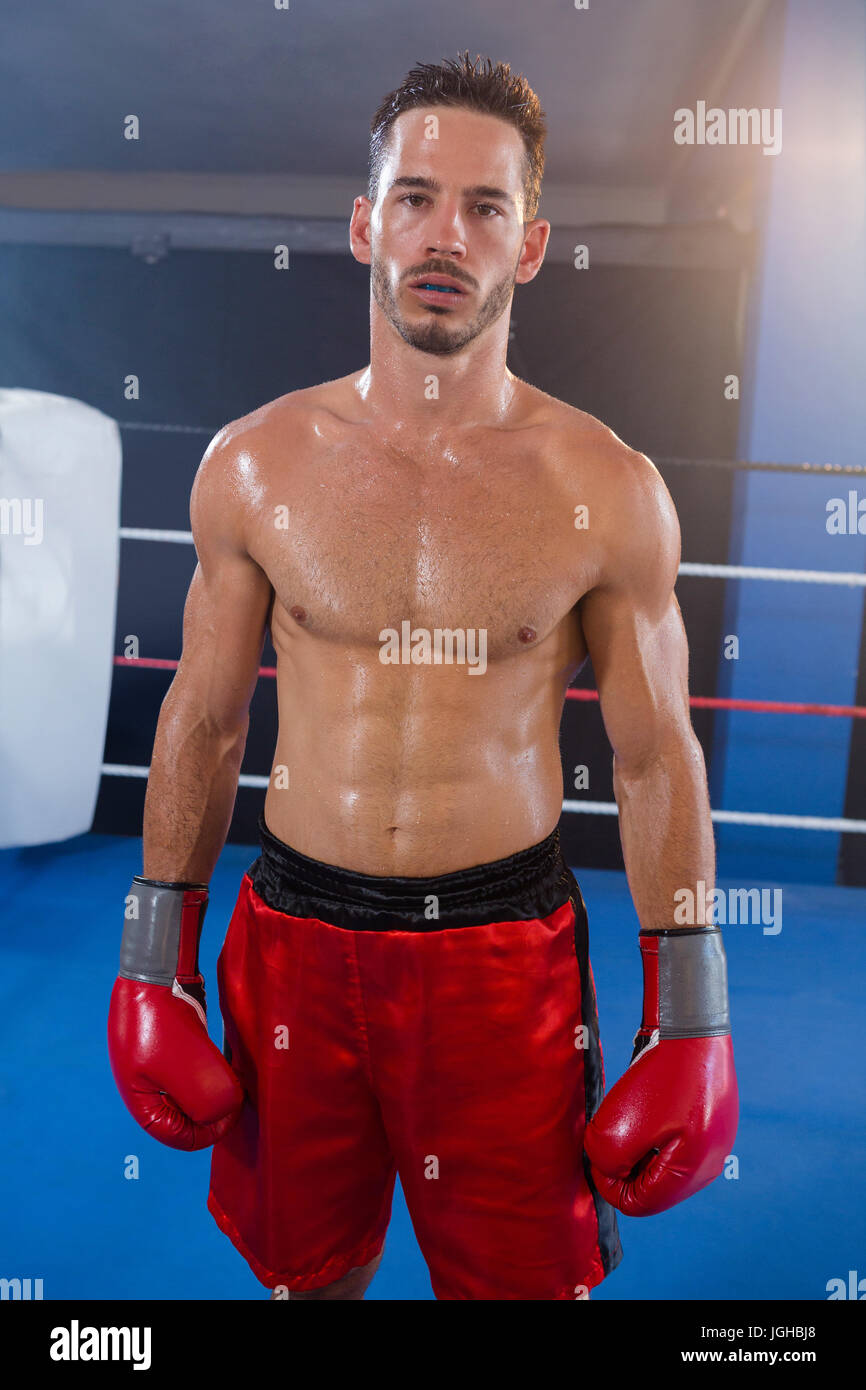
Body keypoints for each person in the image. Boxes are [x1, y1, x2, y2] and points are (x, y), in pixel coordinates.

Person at [108, 53, 738, 1301]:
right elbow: (205, 713)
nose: (445, 235)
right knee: (308, 1281)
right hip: (292, 938)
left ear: (534, 242)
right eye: (414, 197)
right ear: (364, 223)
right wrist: (151, 955)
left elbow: (654, 746)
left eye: (485, 206)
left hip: (500, 961)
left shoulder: (603, 485)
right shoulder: (254, 465)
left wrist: (694, 1012)